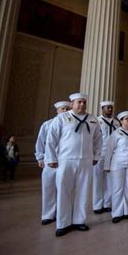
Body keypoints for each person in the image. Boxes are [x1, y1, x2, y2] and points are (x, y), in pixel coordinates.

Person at [45, 92, 102, 237]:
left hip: (86, 160)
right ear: (72, 104)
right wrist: (51, 158)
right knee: (64, 191)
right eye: (79, 102)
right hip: (66, 159)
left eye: (84, 102)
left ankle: (79, 220)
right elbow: (51, 139)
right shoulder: (62, 118)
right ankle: (63, 223)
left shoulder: (92, 119)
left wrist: (96, 156)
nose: (82, 104)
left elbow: (98, 140)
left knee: (83, 191)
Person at [35, 100, 71, 225]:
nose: (65, 111)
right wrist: (40, 157)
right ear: (57, 111)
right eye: (63, 109)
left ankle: (62, 213)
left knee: (64, 188)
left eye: (67, 109)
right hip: (50, 160)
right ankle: (48, 214)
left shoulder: (72, 124)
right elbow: (41, 142)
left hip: (66, 159)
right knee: (49, 187)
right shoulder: (48, 124)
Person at [104, 111, 128, 223]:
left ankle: (126, 211)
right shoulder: (116, 134)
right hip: (118, 163)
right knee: (117, 188)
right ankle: (116, 213)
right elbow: (109, 151)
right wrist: (107, 165)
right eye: (126, 119)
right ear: (121, 121)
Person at [94, 100, 118, 214]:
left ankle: (107, 203)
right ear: (102, 109)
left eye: (111, 108)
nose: (110, 110)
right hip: (100, 154)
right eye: (107, 108)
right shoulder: (96, 121)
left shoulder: (116, 123)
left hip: (113, 155)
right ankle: (97, 205)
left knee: (109, 180)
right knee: (98, 180)